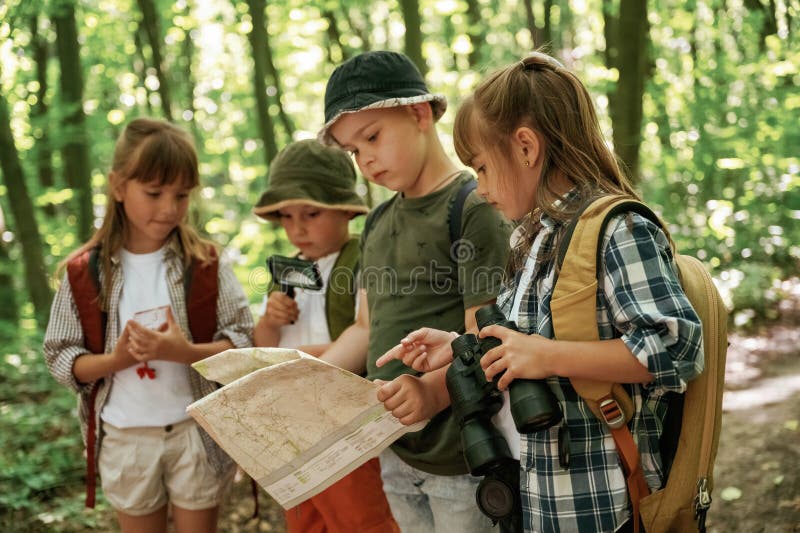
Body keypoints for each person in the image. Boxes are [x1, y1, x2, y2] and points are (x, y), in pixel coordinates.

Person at [377, 52, 704, 532]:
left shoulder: (618, 230)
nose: (480, 188)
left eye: (483, 168)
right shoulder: (533, 238)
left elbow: (675, 348)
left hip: (602, 506)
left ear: (526, 147)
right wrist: (458, 347)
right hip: (542, 501)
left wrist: (549, 357)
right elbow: (518, 341)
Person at [316, 50, 513, 533]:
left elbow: (486, 337)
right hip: (395, 448)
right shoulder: (379, 222)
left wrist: (430, 391)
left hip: (462, 454)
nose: (365, 160)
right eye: (352, 151)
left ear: (419, 113)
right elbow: (365, 327)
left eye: (372, 137)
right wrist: (306, 380)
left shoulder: (473, 206)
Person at [43, 118, 254, 533]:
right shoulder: (85, 273)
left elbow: (243, 342)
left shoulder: (207, 263)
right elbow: (61, 356)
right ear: (119, 187)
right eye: (154, 193)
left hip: (197, 433)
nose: (170, 208)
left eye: (181, 194)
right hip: (126, 437)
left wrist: (184, 353)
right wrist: (116, 359)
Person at [251, 139, 399, 533]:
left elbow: (365, 338)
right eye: (286, 216)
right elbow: (263, 343)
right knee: (305, 519)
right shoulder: (285, 271)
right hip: (291, 423)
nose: (297, 228)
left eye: (311, 213)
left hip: (344, 423)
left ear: (345, 209)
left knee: (359, 517)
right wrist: (270, 320)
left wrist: (293, 356)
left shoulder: (361, 259)